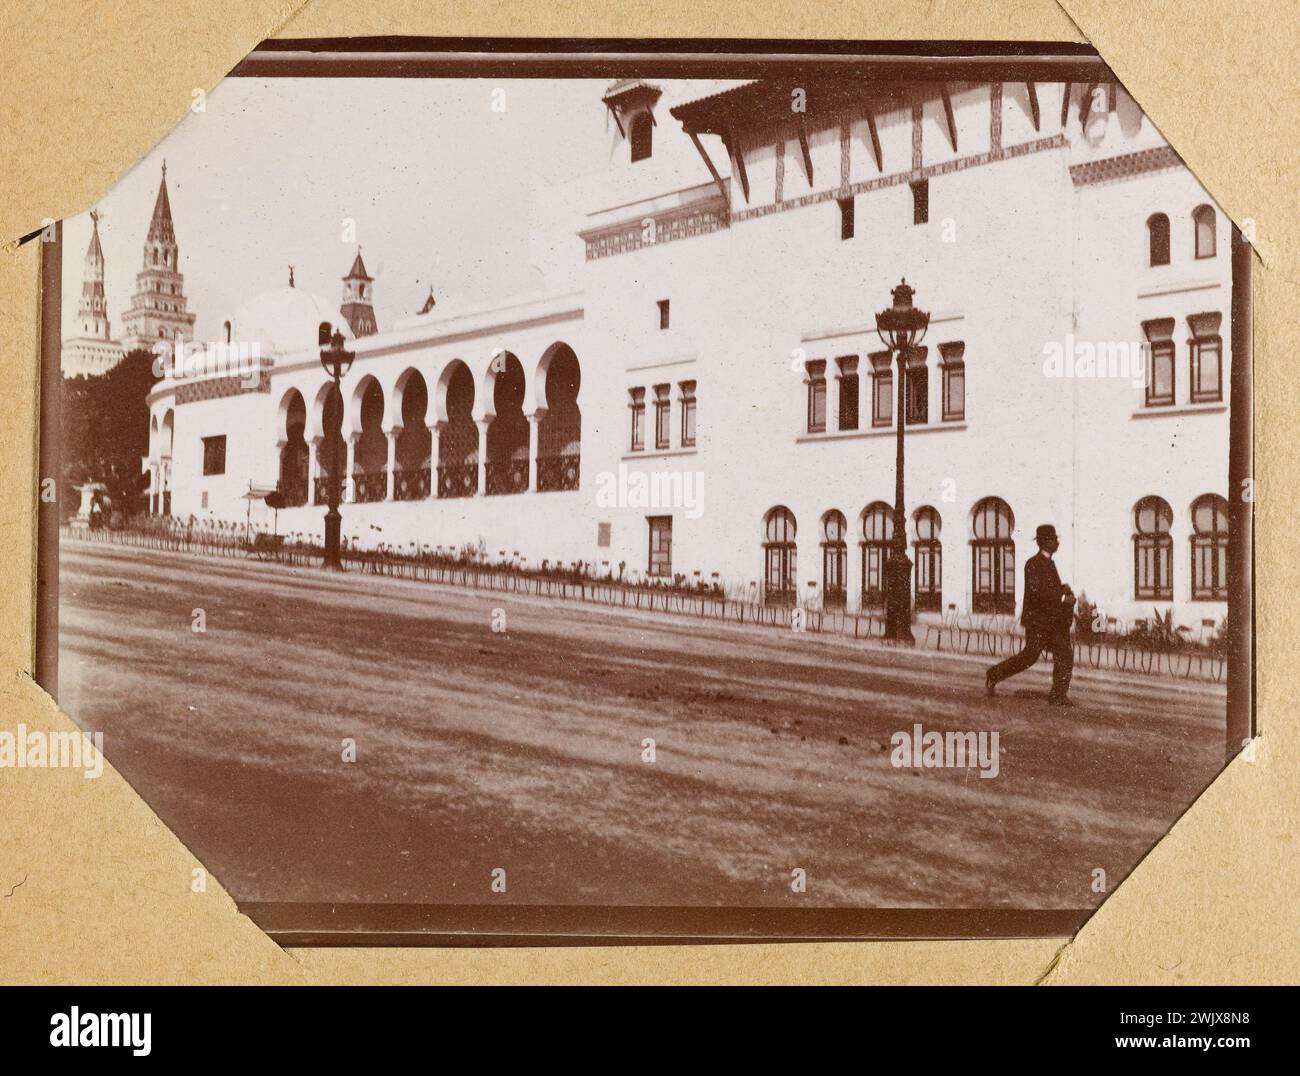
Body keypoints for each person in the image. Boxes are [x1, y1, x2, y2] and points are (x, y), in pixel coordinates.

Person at [985, 523, 1075, 706]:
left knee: (1064, 654)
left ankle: (1058, 695)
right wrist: (1061, 596)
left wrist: (1061, 589)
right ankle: (993, 674)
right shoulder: (1033, 564)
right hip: (1039, 622)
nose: (1057, 542)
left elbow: (1047, 590)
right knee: (1029, 657)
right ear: (1045, 542)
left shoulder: (1048, 562)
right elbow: (1037, 593)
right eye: (1054, 539)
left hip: (1051, 621)